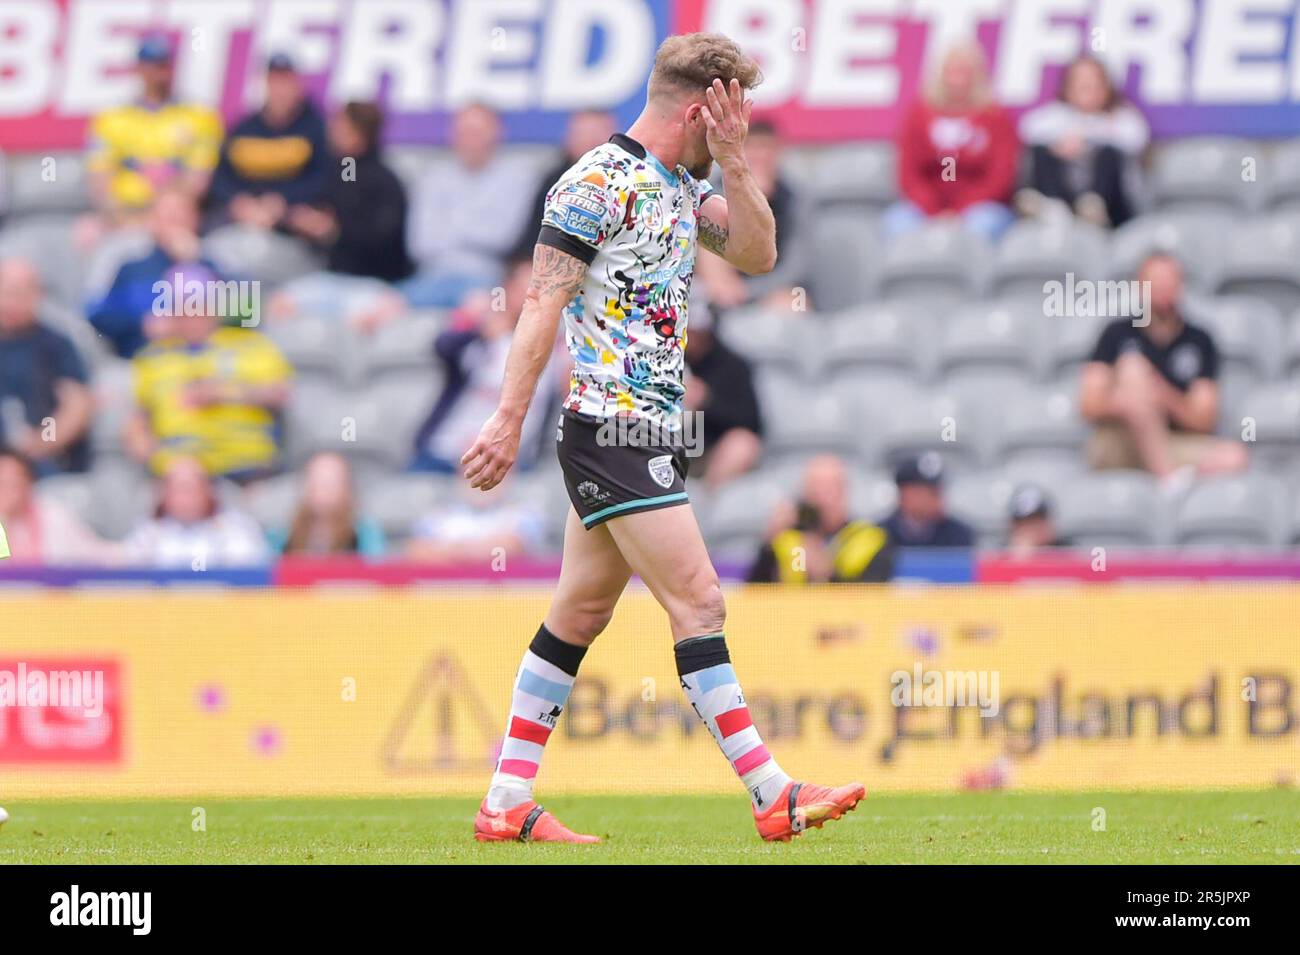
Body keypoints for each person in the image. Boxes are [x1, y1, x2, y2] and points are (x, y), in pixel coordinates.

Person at [459, 33, 864, 845]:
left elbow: (757, 253)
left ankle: (505, 799)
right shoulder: (595, 183)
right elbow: (541, 301)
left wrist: (738, 163)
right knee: (701, 599)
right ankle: (770, 791)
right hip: (611, 426)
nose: (739, 123)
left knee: (577, 611)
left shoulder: (681, 183)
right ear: (699, 107)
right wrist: (507, 417)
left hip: (649, 428)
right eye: (732, 109)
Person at [1080, 253, 1247, 487]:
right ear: (1139, 285)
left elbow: (1204, 418)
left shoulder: (1199, 340)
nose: (1162, 288)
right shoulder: (1116, 334)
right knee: (1133, 370)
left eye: (1169, 281)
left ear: (1181, 285)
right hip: (1120, 442)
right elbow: (1090, 404)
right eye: (1155, 281)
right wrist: (1127, 401)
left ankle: (1167, 476)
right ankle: (1169, 479)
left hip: (1174, 441)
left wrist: (1161, 394)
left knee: (1234, 457)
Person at [125, 266, 292, 481]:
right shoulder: (151, 358)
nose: (193, 315)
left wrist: (223, 393)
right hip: (180, 474)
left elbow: (279, 393)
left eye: (199, 305)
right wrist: (152, 458)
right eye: (184, 306)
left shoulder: (250, 345)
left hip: (246, 467)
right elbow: (138, 421)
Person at [410, 254, 558, 473]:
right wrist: (475, 326)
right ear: (507, 288)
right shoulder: (481, 336)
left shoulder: (558, 345)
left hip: (508, 463)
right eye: (526, 288)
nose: (534, 296)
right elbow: (441, 347)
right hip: (446, 454)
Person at [402, 104, 535, 308]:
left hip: (489, 280)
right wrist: (475, 224)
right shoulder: (433, 177)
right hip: (430, 278)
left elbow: (504, 238)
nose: (470, 139)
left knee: (487, 306)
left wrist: (449, 223)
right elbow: (419, 244)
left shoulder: (518, 177)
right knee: (380, 307)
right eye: (464, 132)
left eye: (477, 132)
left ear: (496, 133)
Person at [884, 43, 1018, 243]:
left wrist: (960, 210)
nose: (957, 81)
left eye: (964, 73)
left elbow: (1000, 177)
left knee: (982, 226)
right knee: (896, 224)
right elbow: (909, 174)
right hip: (925, 209)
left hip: (979, 208)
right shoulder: (919, 116)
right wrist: (934, 211)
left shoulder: (995, 119)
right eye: (952, 72)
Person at [86, 35, 223, 222]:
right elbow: (100, 177)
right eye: (149, 64)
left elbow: (198, 181)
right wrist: (118, 217)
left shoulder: (199, 117)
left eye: (162, 64)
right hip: (125, 215)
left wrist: (161, 216)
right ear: (138, 68)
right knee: (88, 232)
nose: (156, 73)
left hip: (176, 217)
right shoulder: (111, 119)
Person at [86, 187, 223, 358]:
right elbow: (99, 318)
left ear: (195, 219)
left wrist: (195, 263)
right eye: (168, 217)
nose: (175, 224)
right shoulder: (133, 269)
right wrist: (143, 323)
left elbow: (248, 312)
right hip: (147, 364)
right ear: (152, 221)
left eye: (180, 216)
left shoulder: (212, 265)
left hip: (209, 363)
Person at [694, 119, 812, 310]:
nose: (759, 156)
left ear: (778, 153)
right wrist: (744, 194)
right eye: (752, 148)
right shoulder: (714, 189)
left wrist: (749, 291)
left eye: (766, 148)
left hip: (773, 288)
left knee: (798, 303)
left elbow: (797, 266)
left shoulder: (795, 199)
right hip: (722, 287)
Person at [1018, 56, 1148, 228]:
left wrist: (1086, 141)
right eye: (1080, 81)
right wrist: (1060, 142)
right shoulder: (1056, 115)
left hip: (1113, 206)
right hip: (1066, 196)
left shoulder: (1121, 117)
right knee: (1041, 150)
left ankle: (1093, 208)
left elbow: (1135, 138)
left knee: (1109, 153)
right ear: (1067, 87)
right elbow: (1029, 129)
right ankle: (1052, 206)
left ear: (1105, 86)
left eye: (1093, 82)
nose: (1086, 88)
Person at [207, 54, 329, 231]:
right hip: (243, 218)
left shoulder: (317, 129)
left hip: (293, 220)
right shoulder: (243, 129)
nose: (280, 90)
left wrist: (285, 200)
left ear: (298, 84)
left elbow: (332, 176)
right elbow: (220, 177)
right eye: (274, 81)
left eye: (285, 81)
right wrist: (238, 201)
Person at [0, 259, 93, 476]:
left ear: (37, 296)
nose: (13, 302)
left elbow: (76, 404)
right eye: (8, 292)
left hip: (41, 460)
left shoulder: (55, 345)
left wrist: (44, 442)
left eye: (22, 293)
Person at [748, 455, 892, 583]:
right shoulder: (787, 538)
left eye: (829, 489)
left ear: (844, 491)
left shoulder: (868, 539)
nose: (821, 498)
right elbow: (754, 591)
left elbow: (872, 598)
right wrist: (769, 542)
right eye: (814, 489)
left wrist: (828, 574)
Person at [509, 110, 619, 262]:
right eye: (583, 134)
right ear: (568, 139)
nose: (591, 142)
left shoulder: (632, 184)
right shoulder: (553, 182)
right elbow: (531, 240)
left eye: (597, 134)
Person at [124, 456, 270, 567]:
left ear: (208, 490)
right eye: (177, 489)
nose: (184, 497)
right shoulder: (149, 532)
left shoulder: (235, 529)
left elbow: (249, 570)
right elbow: (128, 569)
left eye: (190, 488)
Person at [683, 302, 763, 489]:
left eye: (694, 330)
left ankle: (709, 507)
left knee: (743, 444)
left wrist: (706, 401)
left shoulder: (732, 366)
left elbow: (749, 421)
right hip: (665, 447)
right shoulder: (662, 361)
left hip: (709, 454)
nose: (688, 336)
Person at [0, 450, 118, 565]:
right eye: (2, 483)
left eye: (14, 482)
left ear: (29, 482)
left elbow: (94, 552)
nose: (9, 491)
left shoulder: (52, 514)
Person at [405, 479, 545, 565]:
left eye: (489, 463)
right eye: (473, 464)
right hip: (448, 598)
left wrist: (451, 551)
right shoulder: (440, 516)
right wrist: (480, 551)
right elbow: (418, 551)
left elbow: (512, 548)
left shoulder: (523, 513)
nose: (482, 475)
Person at [273, 452, 384, 557]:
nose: (323, 491)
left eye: (330, 484)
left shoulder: (363, 533)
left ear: (346, 488)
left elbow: (376, 568)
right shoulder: (283, 532)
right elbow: (268, 567)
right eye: (316, 483)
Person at [879, 453, 975, 548]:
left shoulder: (958, 535)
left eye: (939, 491)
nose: (937, 498)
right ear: (905, 495)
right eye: (930, 492)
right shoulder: (879, 535)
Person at [1004, 484, 1071, 554]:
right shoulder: (999, 554)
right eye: (1023, 523)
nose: (1030, 531)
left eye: (1035, 522)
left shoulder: (1067, 552)